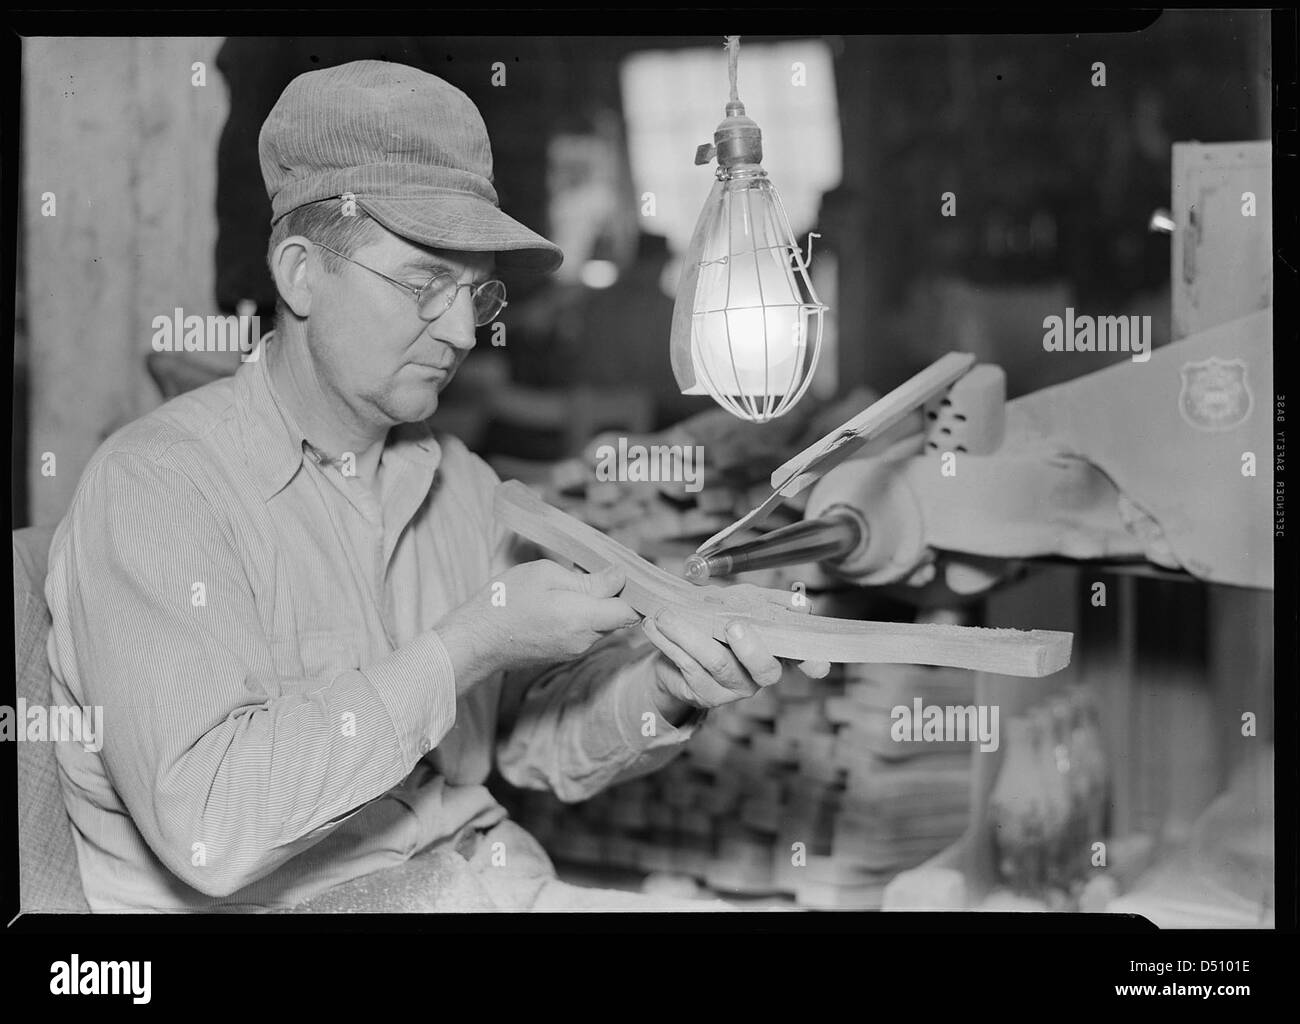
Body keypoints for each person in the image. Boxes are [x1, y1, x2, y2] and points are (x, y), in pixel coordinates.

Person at [45, 59, 828, 912]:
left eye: (475, 292)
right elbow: (212, 826)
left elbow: (538, 747)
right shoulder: (159, 489)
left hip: (475, 883)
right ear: (301, 273)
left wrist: (669, 686)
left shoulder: (461, 486)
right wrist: (466, 643)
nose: (461, 330)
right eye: (424, 284)